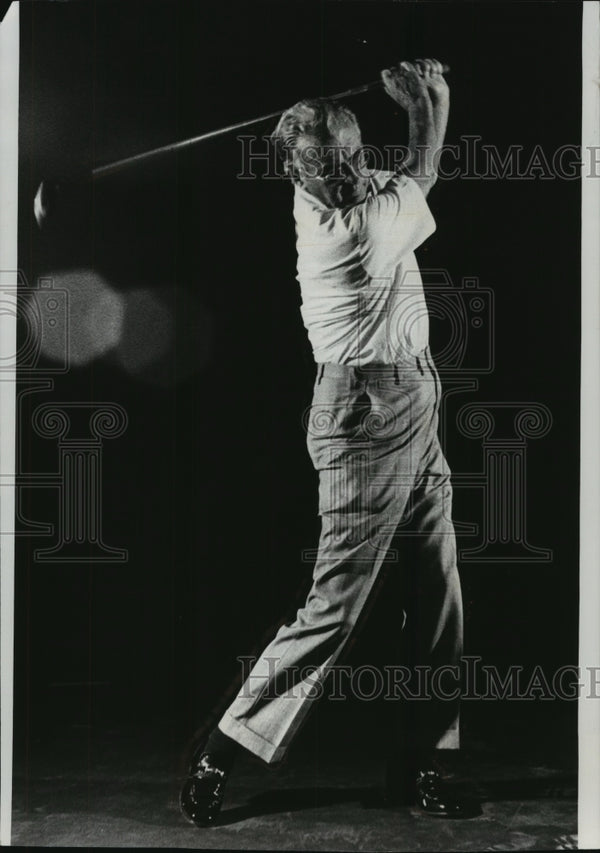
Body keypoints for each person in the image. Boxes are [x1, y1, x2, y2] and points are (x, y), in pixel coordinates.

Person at [181, 58, 475, 826]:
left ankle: (426, 761)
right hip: (366, 413)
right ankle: (224, 746)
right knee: (335, 603)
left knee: (437, 581)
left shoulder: (325, 181)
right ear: (307, 174)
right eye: (332, 168)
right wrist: (429, 99)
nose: (347, 175)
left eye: (350, 157)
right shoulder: (349, 228)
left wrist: (322, 123)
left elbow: (380, 164)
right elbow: (426, 164)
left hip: (413, 390)